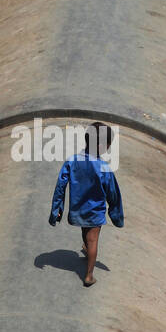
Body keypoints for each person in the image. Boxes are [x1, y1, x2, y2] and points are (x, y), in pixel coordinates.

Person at [49, 123, 124, 286]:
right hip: (95, 211)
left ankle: (85, 247)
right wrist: (116, 217)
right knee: (93, 240)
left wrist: (57, 210)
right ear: (102, 146)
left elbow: (60, 186)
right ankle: (89, 275)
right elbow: (113, 194)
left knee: (85, 232)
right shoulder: (104, 168)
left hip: (78, 209)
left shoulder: (72, 161)